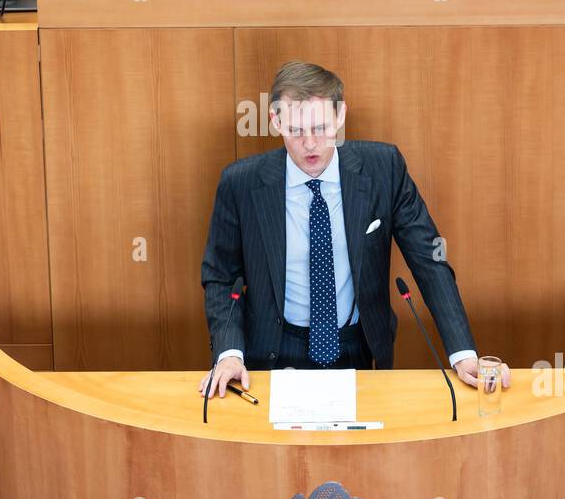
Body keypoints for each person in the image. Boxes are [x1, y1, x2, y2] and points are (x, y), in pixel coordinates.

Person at [199, 61, 497, 399]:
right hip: (271, 352)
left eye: (321, 127)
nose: (309, 143)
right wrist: (228, 353)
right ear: (276, 121)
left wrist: (463, 353)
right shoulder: (241, 183)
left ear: (340, 116)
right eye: (296, 130)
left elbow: (429, 261)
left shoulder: (384, 168)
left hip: (356, 348)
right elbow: (221, 277)